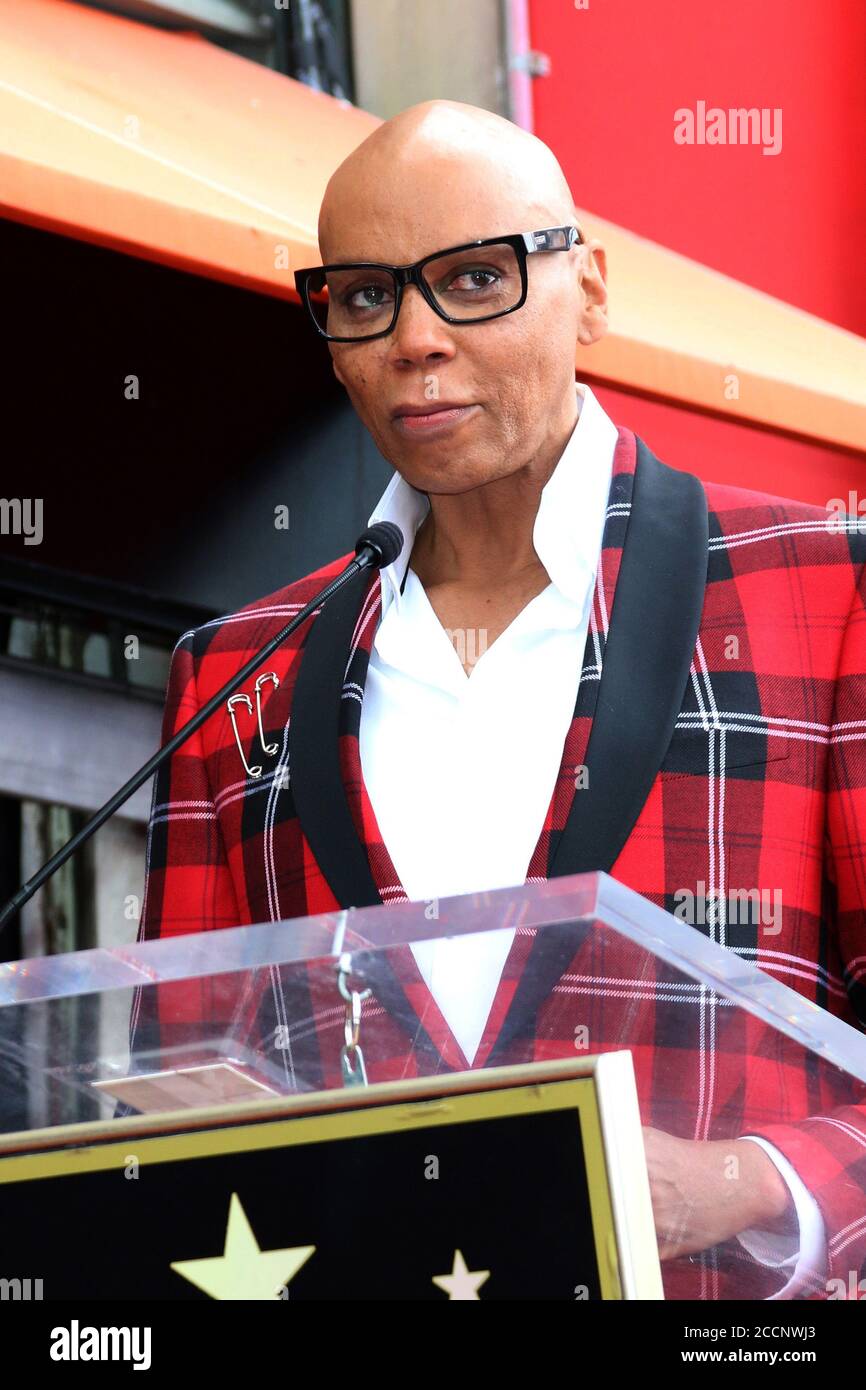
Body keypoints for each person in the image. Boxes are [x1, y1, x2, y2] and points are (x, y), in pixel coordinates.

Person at [130, 100, 866, 1300]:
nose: (416, 337)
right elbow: (184, 1089)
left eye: (475, 278)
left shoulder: (823, 588)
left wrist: (739, 1182)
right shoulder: (235, 670)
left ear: (589, 289)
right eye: (365, 297)